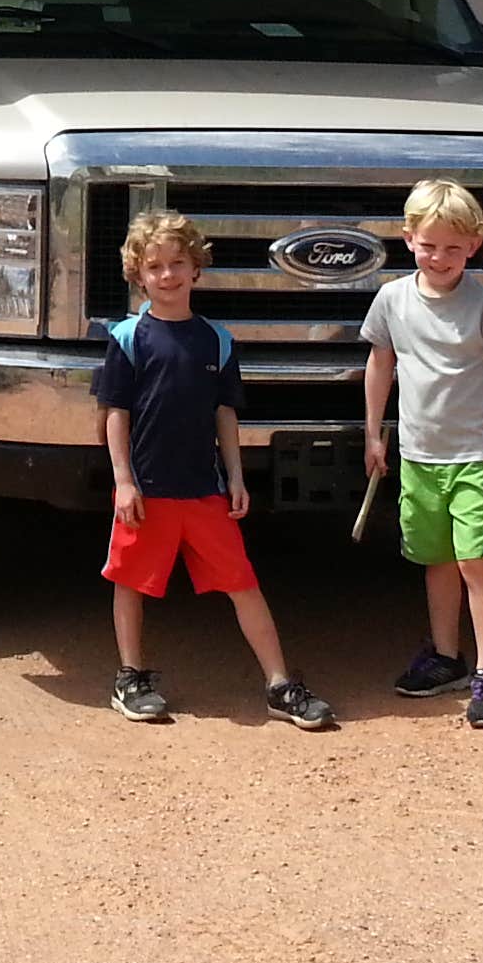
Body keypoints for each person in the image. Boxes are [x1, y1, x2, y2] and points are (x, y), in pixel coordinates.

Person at [96, 211, 338, 728]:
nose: (167, 275)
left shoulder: (217, 341)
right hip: (148, 492)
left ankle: (279, 683)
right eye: (154, 266)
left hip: (205, 491)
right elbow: (114, 414)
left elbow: (224, 413)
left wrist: (236, 475)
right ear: (137, 274)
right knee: (131, 582)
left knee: (242, 583)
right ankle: (130, 677)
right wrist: (122, 481)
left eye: (177, 263)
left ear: (196, 268)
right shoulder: (127, 338)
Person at [362, 179, 483, 727]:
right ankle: (444, 657)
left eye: (453, 248)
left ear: (473, 247)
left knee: (476, 560)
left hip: (474, 457)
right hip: (418, 456)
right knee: (435, 559)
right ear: (408, 239)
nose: (440, 257)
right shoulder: (392, 299)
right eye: (429, 245)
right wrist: (372, 433)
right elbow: (381, 364)